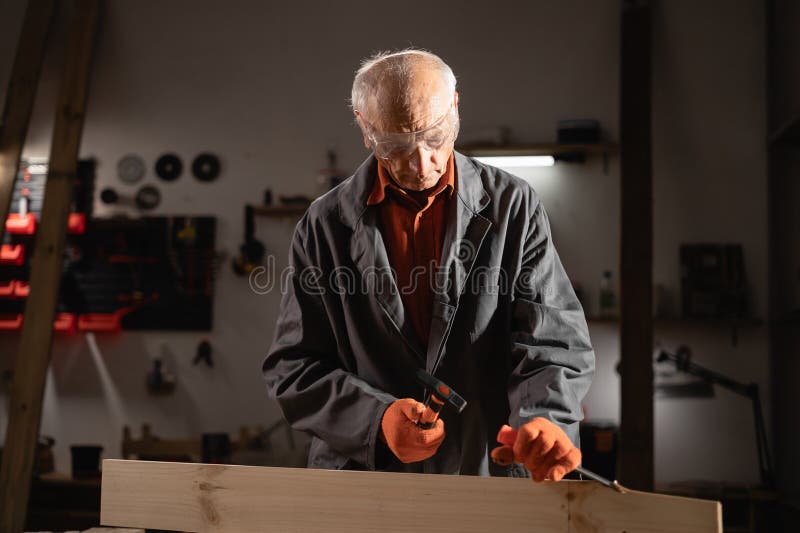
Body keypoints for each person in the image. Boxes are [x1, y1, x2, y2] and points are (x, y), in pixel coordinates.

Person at [262, 49, 594, 480]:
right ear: (364, 128)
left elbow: (553, 342)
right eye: (396, 146)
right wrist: (376, 420)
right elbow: (294, 369)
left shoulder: (514, 206)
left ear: (455, 106)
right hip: (369, 477)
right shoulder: (324, 224)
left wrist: (545, 419)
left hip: (485, 470)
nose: (422, 163)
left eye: (435, 137)